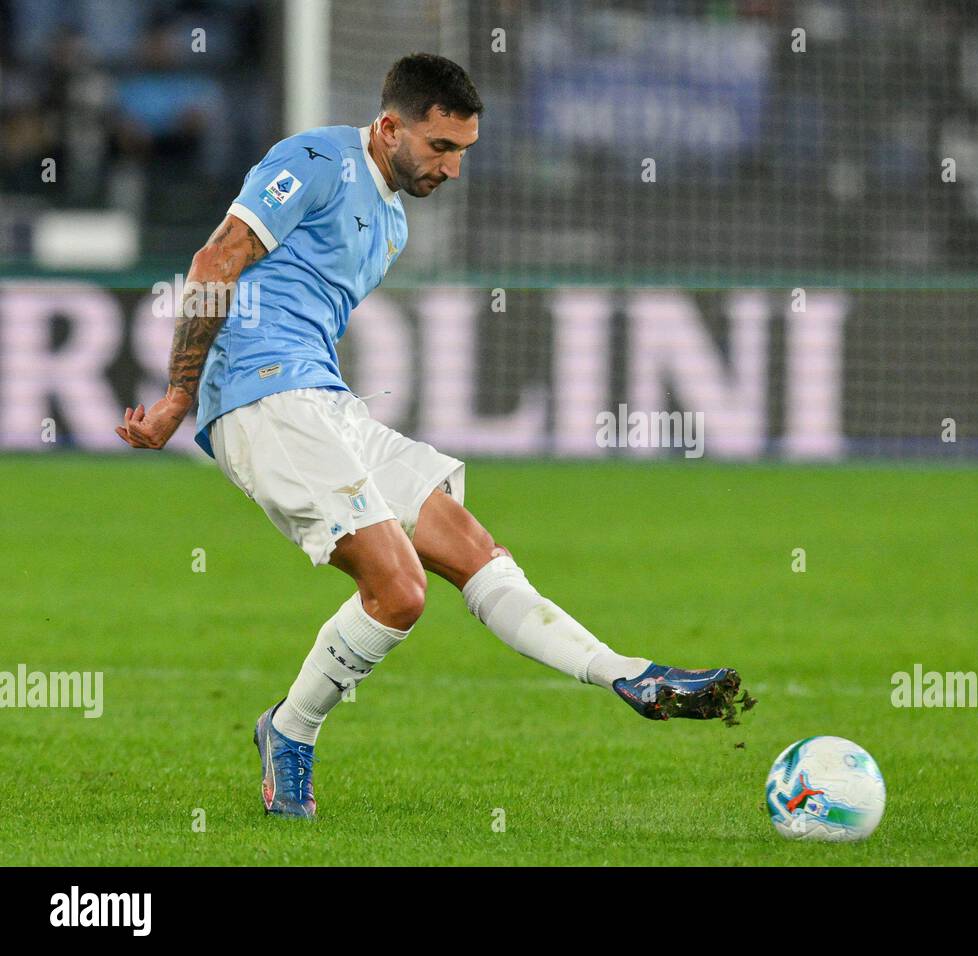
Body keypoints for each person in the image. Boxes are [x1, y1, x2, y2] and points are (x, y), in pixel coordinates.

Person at [116, 53, 750, 819]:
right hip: (263, 399)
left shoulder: (391, 224)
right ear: (389, 128)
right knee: (398, 591)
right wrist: (180, 393)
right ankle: (290, 730)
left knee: (471, 547)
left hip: (325, 401)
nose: (452, 168)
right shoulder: (314, 160)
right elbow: (216, 258)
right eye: (440, 147)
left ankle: (628, 673)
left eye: (463, 151)